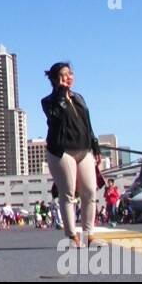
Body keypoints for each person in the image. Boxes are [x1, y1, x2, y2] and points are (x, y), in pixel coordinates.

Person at [41, 62, 103, 248]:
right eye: (64, 75)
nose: (69, 77)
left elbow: (88, 124)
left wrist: (95, 145)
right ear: (55, 79)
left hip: (84, 150)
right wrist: (60, 92)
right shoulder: (48, 101)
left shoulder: (79, 99)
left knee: (90, 191)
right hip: (62, 152)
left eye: (70, 73)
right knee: (68, 194)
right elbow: (56, 116)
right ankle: (71, 235)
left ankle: (90, 234)